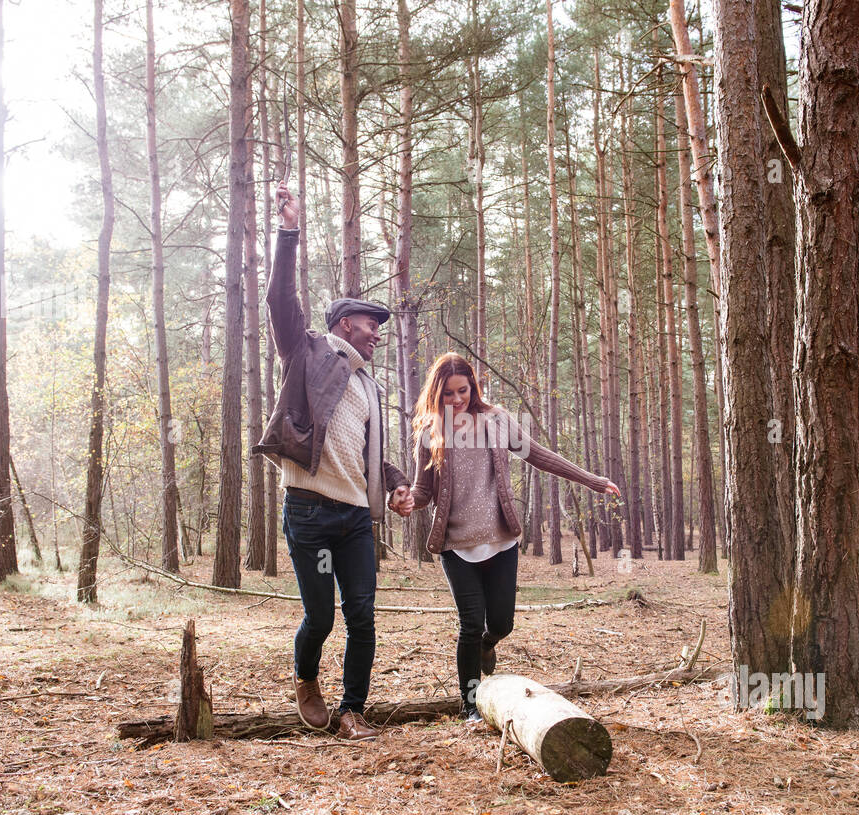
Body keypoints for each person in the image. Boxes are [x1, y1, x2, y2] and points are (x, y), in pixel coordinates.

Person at [253, 182, 414, 741]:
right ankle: (305, 678)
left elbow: (366, 451)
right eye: (372, 325)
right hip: (310, 513)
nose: (377, 335)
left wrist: (395, 485)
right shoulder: (308, 351)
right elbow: (279, 301)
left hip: (354, 523)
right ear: (346, 323)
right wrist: (288, 233)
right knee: (322, 615)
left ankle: (353, 709)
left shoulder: (368, 387)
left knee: (363, 616)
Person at [398, 353, 621, 721]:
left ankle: (490, 644)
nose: (456, 400)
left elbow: (539, 456)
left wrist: (593, 481)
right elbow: (424, 491)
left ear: (473, 388)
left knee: (500, 623)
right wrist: (408, 502)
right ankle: (470, 705)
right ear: (436, 395)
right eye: (448, 394)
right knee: (470, 623)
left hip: (500, 540)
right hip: (456, 544)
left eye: (463, 391)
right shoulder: (430, 433)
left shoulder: (496, 422)